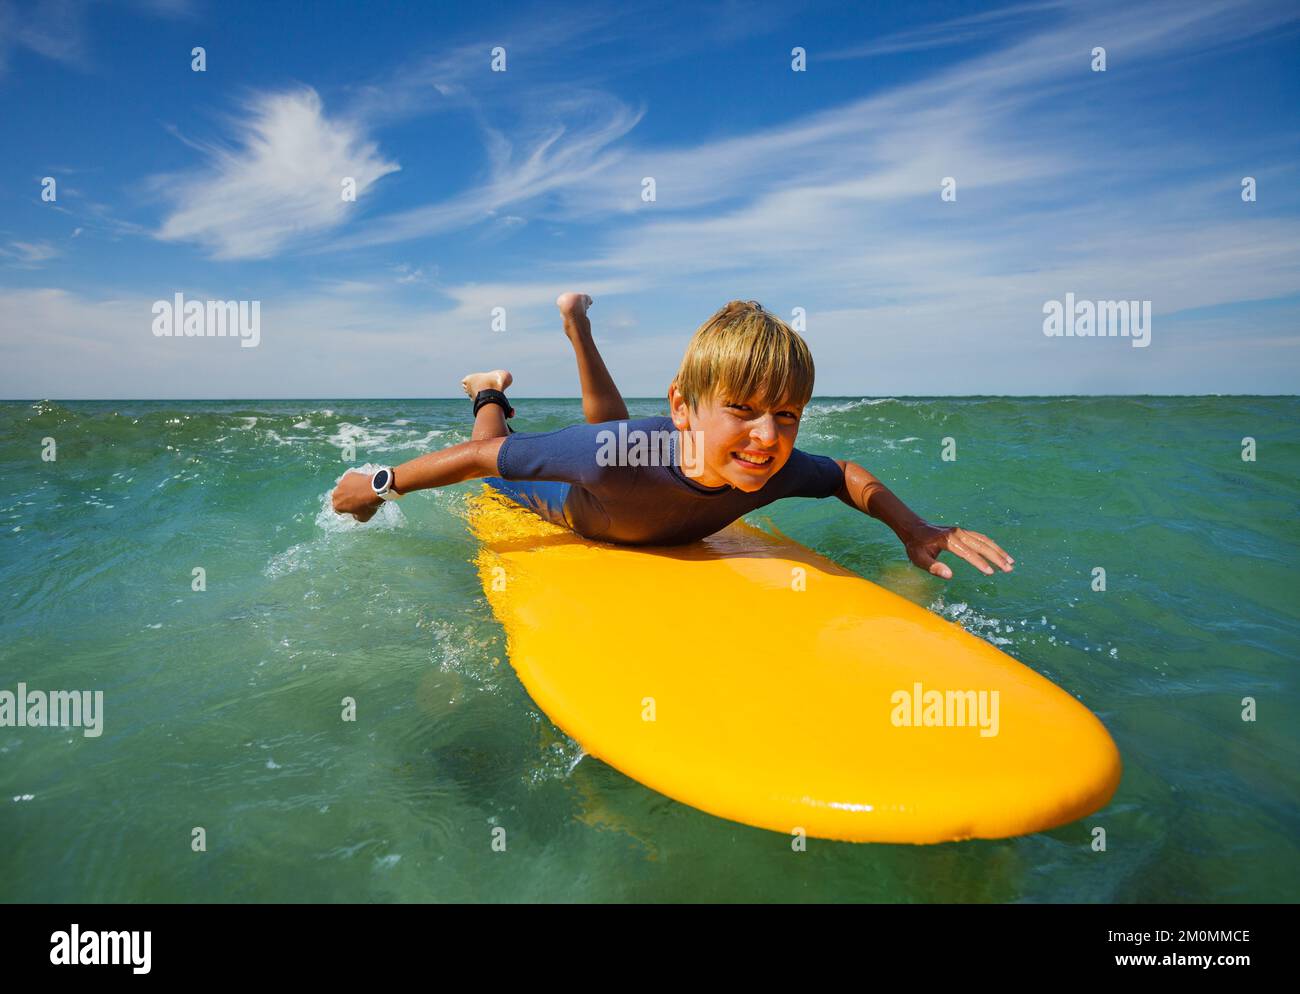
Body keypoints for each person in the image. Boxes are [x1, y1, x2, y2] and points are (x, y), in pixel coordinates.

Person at [331, 293, 1014, 578]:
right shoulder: (610, 460)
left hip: (633, 454)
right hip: (568, 495)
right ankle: (488, 388)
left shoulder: (773, 468)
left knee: (618, 434)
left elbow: (844, 475)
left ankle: (578, 329)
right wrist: (376, 484)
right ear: (686, 407)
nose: (766, 435)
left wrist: (913, 528)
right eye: (743, 409)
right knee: (535, 451)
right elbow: (482, 455)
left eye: (786, 415)